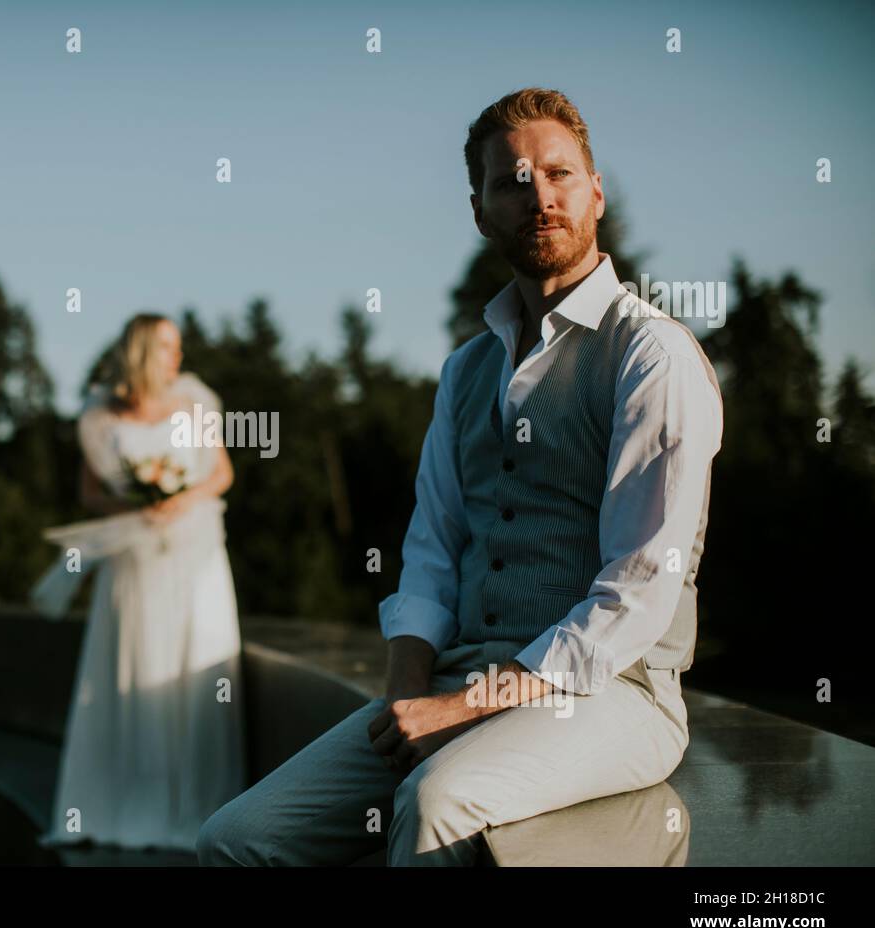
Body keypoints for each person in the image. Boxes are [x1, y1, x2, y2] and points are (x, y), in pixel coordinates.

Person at [197, 88, 724, 866]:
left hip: (617, 694)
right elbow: (434, 547)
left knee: (441, 799)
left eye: (558, 174)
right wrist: (410, 693)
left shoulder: (652, 356)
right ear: (480, 211)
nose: (538, 197)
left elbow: (638, 594)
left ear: (596, 192)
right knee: (237, 840)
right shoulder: (466, 368)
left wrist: (466, 706)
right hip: (461, 675)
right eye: (511, 182)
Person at [37, 312, 246, 853]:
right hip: (135, 559)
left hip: (197, 553)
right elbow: (89, 495)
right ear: (139, 352)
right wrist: (138, 503)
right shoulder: (100, 412)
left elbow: (221, 473)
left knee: (195, 671)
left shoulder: (195, 400)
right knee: (133, 668)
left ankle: (200, 808)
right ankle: (121, 802)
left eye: (177, 346)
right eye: (166, 347)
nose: (176, 357)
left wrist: (180, 499)